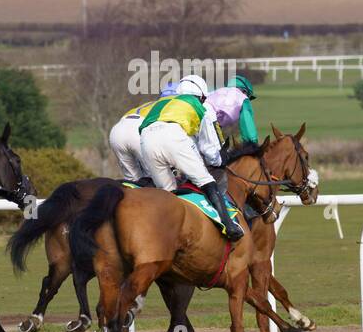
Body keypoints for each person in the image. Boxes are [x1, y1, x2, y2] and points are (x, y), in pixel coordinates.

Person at [137, 74, 243, 239]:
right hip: (172, 136)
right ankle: (229, 225)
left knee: (168, 193)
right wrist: (220, 160)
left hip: (146, 139)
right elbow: (208, 148)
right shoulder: (203, 107)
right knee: (206, 181)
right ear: (201, 95)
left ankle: (163, 234)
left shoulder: (161, 103)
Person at [108, 99, 156, 184]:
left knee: (132, 180)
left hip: (117, 130)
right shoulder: (176, 104)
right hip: (138, 129)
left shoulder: (149, 103)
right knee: (154, 177)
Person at [204, 74, 259, 145]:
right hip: (209, 120)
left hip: (195, 115)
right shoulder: (243, 98)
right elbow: (247, 123)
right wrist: (253, 143)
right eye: (249, 96)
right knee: (219, 152)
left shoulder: (216, 91)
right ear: (245, 91)